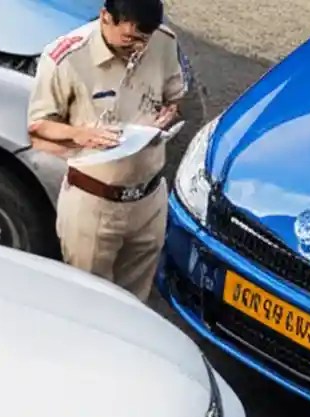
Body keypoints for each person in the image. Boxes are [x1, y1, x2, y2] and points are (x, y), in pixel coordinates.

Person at [26, 0, 190, 302]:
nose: (138, 48)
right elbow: (39, 127)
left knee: (134, 305)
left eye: (145, 40)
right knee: (89, 305)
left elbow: (175, 97)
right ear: (105, 17)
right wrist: (81, 134)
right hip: (93, 204)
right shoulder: (65, 58)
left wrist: (170, 112)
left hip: (148, 201)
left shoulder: (163, 42)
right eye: (129, 39)